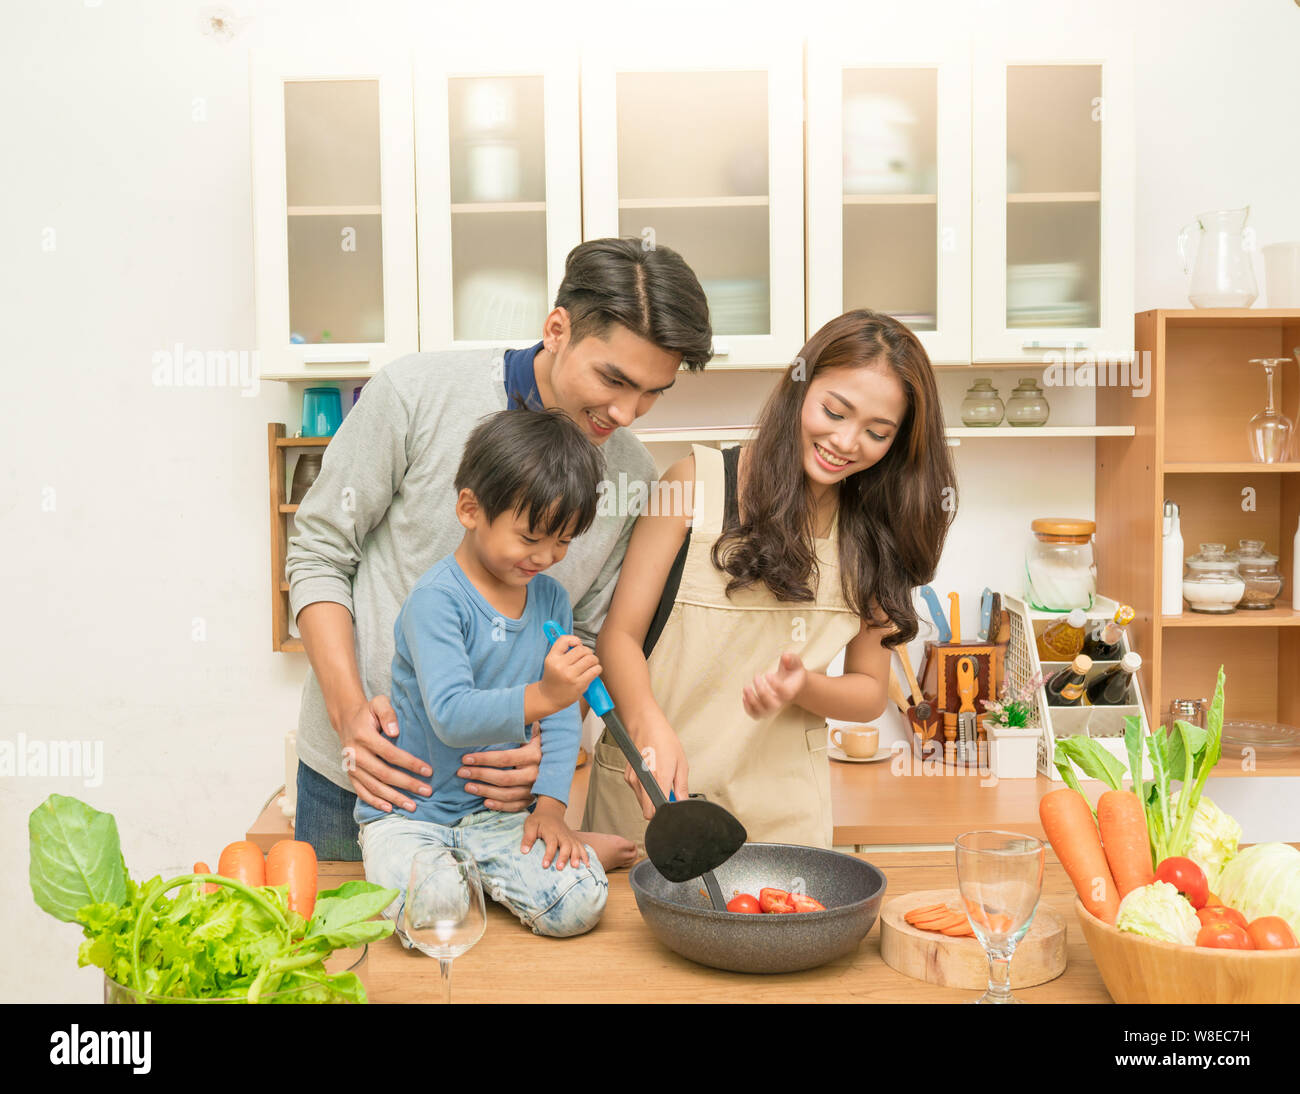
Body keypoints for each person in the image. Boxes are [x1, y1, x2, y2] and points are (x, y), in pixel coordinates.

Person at [286, 238, 712, 864]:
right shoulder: (416, 393)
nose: (626, 411)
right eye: (613, 378)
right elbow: (320, 553)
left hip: (495, 803)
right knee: (351, 958)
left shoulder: (630, 475)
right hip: (364, 776)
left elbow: (580, 638)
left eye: (654, 392)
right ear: (557, 328)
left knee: (490, 960)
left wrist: (539, 759)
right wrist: (349, 711)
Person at [583, 309, 957, 849]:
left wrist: (804, 687)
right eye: (834, 411)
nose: (847, 442)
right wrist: (649, 729)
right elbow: (618, 637)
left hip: (782, 819)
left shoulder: (875, 535)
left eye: (877, 433)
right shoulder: (693, 483)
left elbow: (870, 693)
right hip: (651, 796)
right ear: (799, 387)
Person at [358, 409, 608, 940]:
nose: (545, 556)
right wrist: (545, 694)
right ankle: (463, 879)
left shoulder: (551, 600)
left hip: (496, 817)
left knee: (580, 900)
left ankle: (488, 874)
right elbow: (450, 715)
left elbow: (562, 719)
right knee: (440, 911)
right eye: (531, 537)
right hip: (411, 815)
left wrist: (552, 808)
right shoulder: (437, 602)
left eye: (563, 542)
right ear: (470, 509)